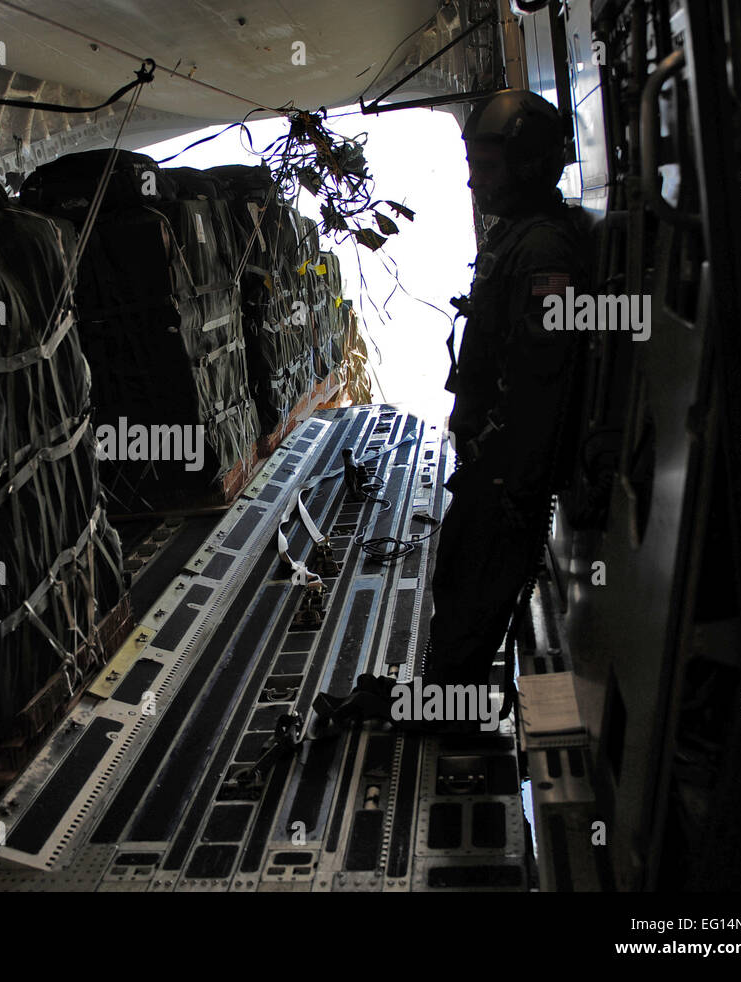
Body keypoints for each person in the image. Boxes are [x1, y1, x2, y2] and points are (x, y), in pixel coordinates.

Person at [312, 90, 591, 735]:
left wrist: (509, 472)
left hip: (508, 470)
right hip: (496, 463)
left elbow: (542, 379)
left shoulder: (544, 250)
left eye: (488, 166)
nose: (475, 179)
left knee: (474, 592)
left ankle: (447, 707)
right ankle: (445, 693)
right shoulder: (523, 236)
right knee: (462, 581)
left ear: (526, 167)